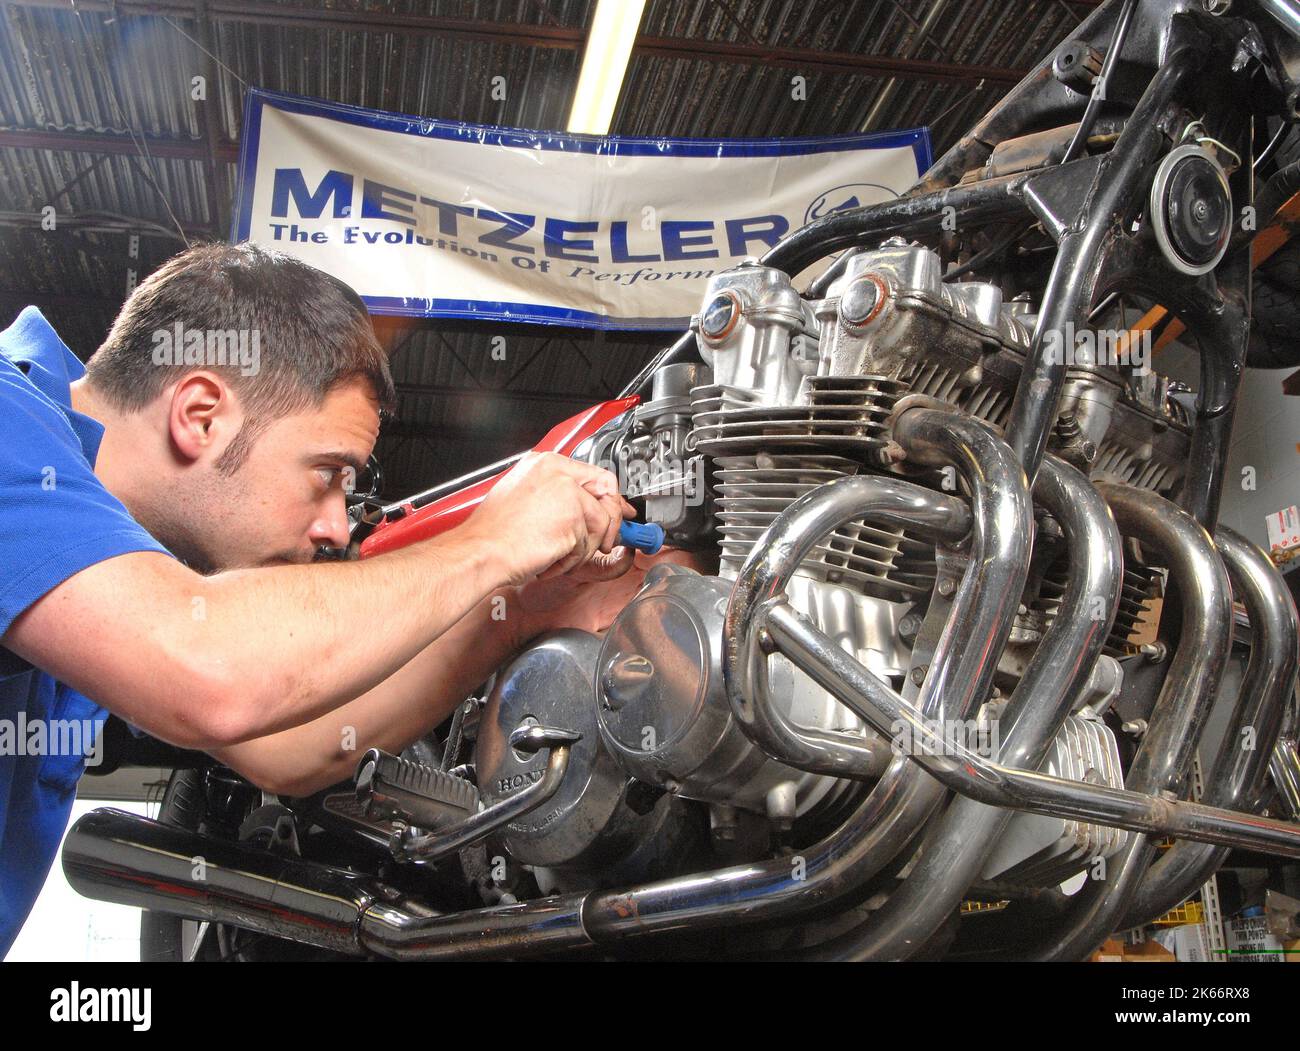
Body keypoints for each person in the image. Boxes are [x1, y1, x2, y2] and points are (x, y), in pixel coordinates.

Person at [0, 242, 644, 955]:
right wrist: (491, 540)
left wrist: (517, 610)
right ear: (201, 415)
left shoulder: (99, 550)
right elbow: (205, 668)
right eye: (328, 472)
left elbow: (290, 745)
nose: (336, 524)